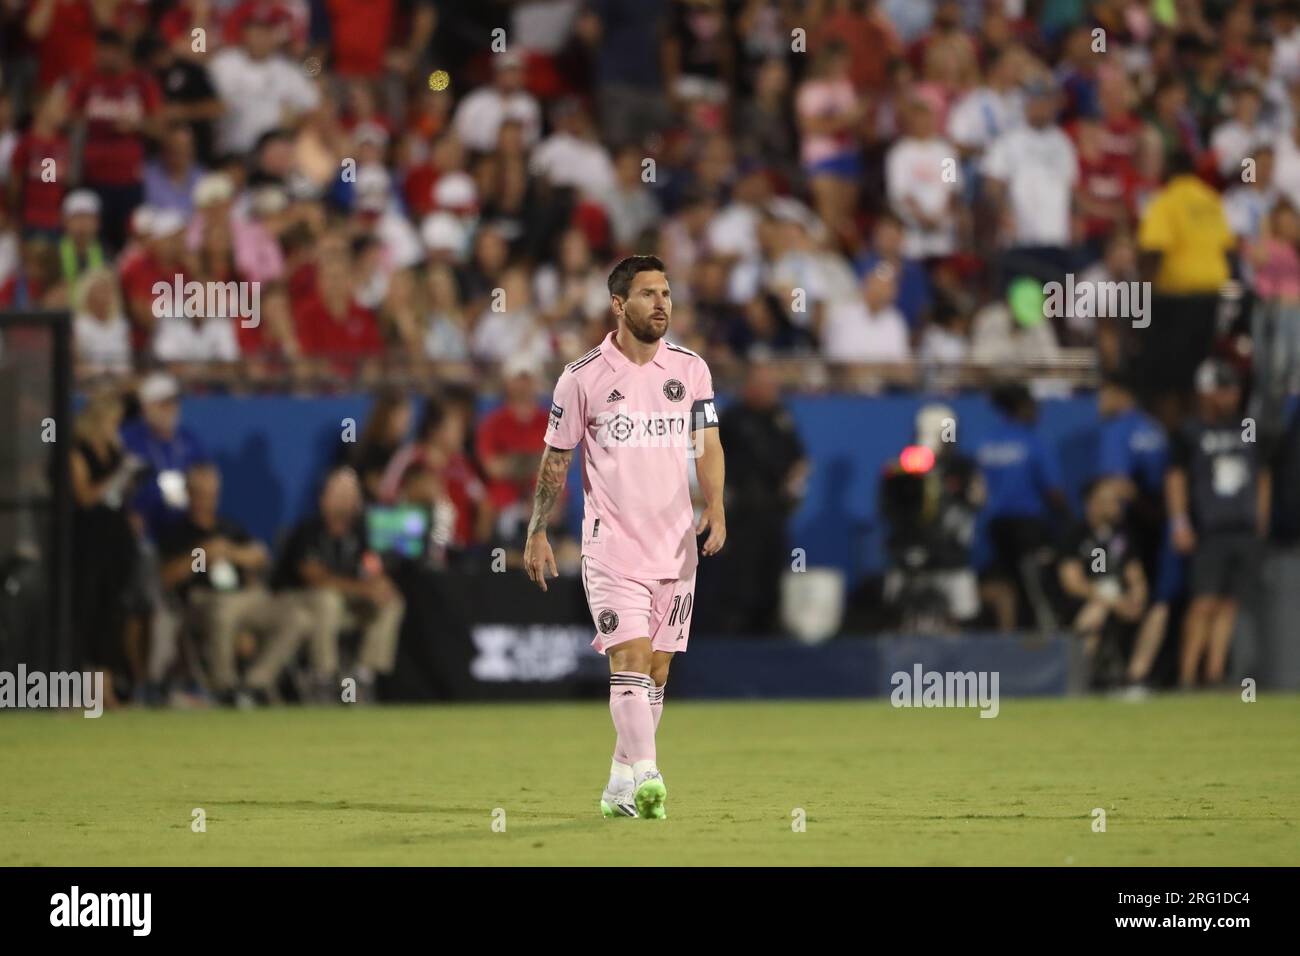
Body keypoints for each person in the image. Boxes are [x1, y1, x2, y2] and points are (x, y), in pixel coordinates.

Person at [522, 255, 726, 821]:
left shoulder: (691, 370)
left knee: (658, 668)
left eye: (666, 292)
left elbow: (707, 444)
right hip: (612, 546)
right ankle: (648, 775)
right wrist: (538, 529)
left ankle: (618, 785)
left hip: (677, 547)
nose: (661, 303)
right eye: (648, 294)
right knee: (631, 660)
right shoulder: (582, 376)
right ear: (618, 305)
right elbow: (556, 459)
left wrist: (717, 505)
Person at [158, 464, 312, 706]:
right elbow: (167, 577)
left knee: (298, 617)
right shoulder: (177, 531)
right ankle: (224, 687)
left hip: (246, 598)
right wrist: (202, 554)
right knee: (223, 611)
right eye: (201, 494)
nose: (208, 501)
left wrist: (229, 552)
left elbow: (260, 556)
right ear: (189, 494)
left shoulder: (229, 528)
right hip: (204, 599)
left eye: (212, 494)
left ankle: (255, 684)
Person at [1167, 359, 1271, 687]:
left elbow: (1263, 474)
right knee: (1203, 602)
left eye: (1233, 389)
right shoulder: (1190, 431)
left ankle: (1213, 675)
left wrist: (1261, 518)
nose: (1230, 396)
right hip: (1209, 529)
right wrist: (1180, 522)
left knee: (1229, 603)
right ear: (1206, 394)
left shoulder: (1249, 428)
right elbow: (1176, 478)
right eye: (1223, 390)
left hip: (1243, 527)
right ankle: (1186, 676)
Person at [273, 466, 405, 703]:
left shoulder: (360, 534)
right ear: (324, 498)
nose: (346, 499)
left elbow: (373, 567)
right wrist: (362, 589)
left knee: (391, 600)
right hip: (296, 601)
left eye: (351, 493)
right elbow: (314, 577)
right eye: (339, 493)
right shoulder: (308, 531)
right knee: (327, 599)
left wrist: (379, 585)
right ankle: (323, 676)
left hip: (344, 606)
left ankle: (363, 675)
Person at [1057, 477, 1149, 689]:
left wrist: (1136, 598)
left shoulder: (1122, 535)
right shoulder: (1075, 535)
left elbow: (1136, 576)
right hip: (1084, 601)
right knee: (1096, 611)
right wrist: (1112, 601)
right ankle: (1077, 681)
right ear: (1092, 504)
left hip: (1119, 600)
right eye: (1109, 501)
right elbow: (1072, 583)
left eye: (1117, 501)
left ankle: (1135, 677)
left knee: (1157, 611)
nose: (1115, 506)